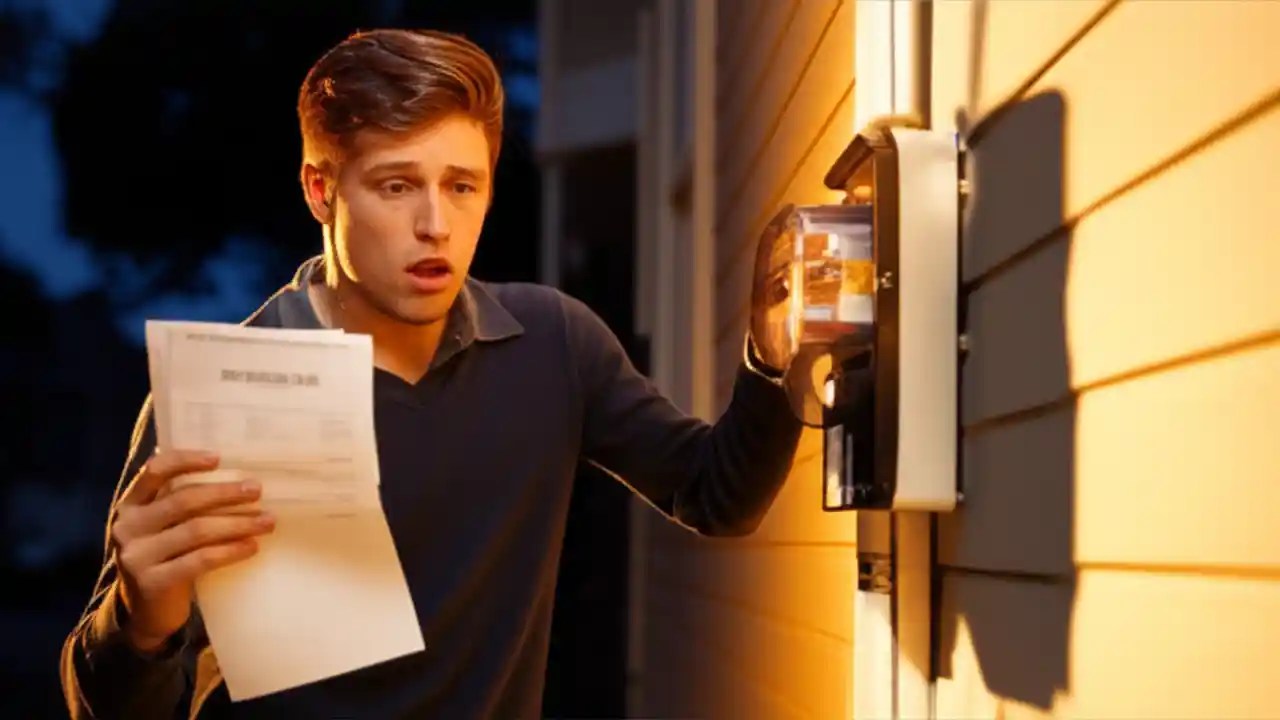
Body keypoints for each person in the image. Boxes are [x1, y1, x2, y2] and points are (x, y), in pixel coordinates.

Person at [60, 28, 802, 720]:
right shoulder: (221, 392)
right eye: (395, 186)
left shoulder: (554, 343)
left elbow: (717, 495)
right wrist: (139, 620)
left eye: (462, 186)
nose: (437, 225)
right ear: (322, 191)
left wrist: (773, 353)